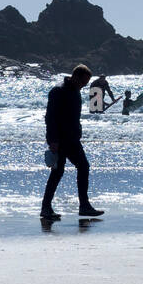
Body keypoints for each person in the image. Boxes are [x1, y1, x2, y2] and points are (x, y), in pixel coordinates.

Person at [41, 65, 104, 221]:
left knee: (78, 168)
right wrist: (53, 140)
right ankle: (49, 208)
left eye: (86, 83)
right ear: (75, 76)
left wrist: (79, 131)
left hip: (72, 139)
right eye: (83, 82)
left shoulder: (75, 91)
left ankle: (82, 206)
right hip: (61, 140)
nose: (84, 85)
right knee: (62, 171)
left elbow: (74, 117)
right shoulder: (58, 91)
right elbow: (50, 117)